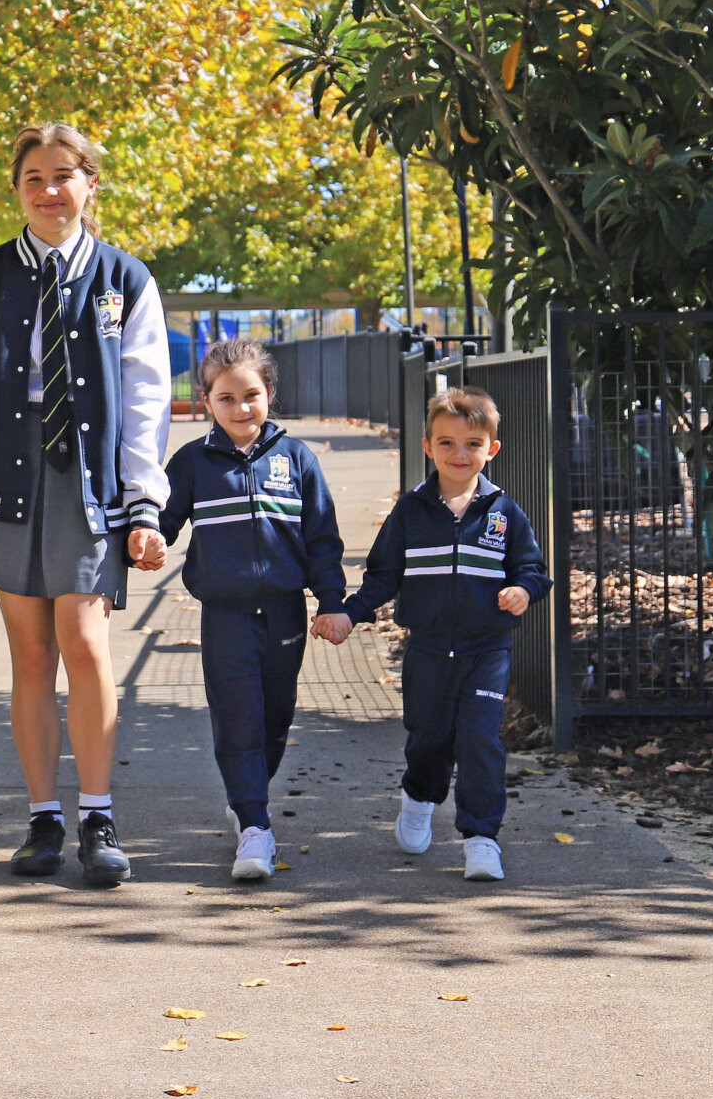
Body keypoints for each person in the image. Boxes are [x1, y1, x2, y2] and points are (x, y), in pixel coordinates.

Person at [0, 123, 171, 887]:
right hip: (9, 473)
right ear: (17, 189)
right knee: (31, 650)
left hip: (88, 477)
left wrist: (143, 503)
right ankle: (44, 818)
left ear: (89, 183)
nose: (48, 190)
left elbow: (146, 397)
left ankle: (99, 815)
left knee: (86, 640)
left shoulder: (125, 279)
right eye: (33, 177)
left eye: (63, 175)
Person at [319, 386, 551, 882]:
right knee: (429, 740)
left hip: (486, 648)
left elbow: (534, 570)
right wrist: (347, 614)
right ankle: (420, 797)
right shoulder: (411, 511)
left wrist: (522, 591)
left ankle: (481, 838)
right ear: (428, 447)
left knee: (479, 738)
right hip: (426, 649)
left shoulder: (503, 513)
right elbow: (382, 575)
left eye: (472, 444)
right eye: (447, 443)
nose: (459, 454)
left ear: (492, 449)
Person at [158, 340, 347, 883]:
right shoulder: (193, 463)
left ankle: (247, 802)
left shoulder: (298, 460)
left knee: (274, 719)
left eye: (252, 395)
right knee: (238, 718)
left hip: (285, 614)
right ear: (207, 401)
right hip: (226, 616)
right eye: (227, 398)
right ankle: (255, 827)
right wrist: (144, 539)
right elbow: (164, 524)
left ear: (269, 395)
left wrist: (331, 603)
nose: (241, 408)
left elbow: (322, 541)